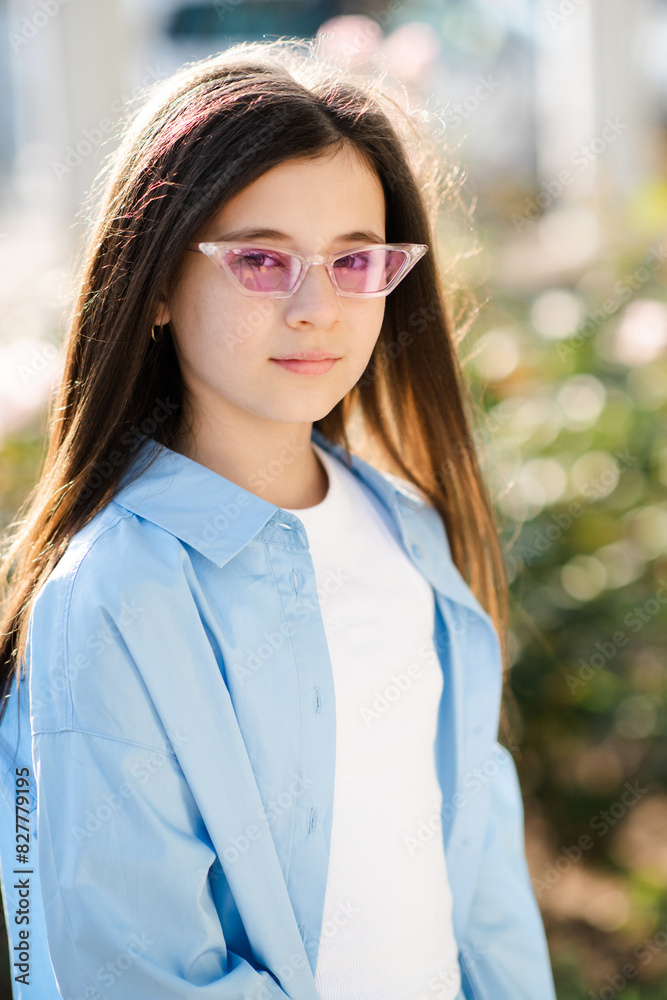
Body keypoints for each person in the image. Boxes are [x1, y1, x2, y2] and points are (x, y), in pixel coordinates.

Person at [0, 37, 557, 1000]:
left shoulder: (408, 529)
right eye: (260, 261)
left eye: (356, 261)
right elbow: (139, 971)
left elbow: (482, 884)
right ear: (160, 283)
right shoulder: (115, 592)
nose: (317, 309)